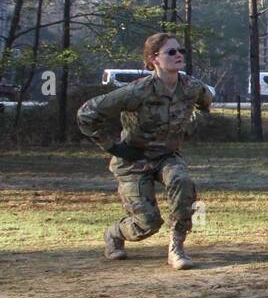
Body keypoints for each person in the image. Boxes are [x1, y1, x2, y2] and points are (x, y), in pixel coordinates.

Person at [77, 32, 214, 270]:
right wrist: (111, 146)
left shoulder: (192, 87)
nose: (179, 55)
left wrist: (189, 126)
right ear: (154, 59)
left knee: (183, 182)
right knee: (147, 224)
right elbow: (88, 113)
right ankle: (115, 234)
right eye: (171, 52)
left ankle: (177, 248)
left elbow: (207, 103)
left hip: (167, 157)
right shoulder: (137, 91)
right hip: (133, 160)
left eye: (180, 50)